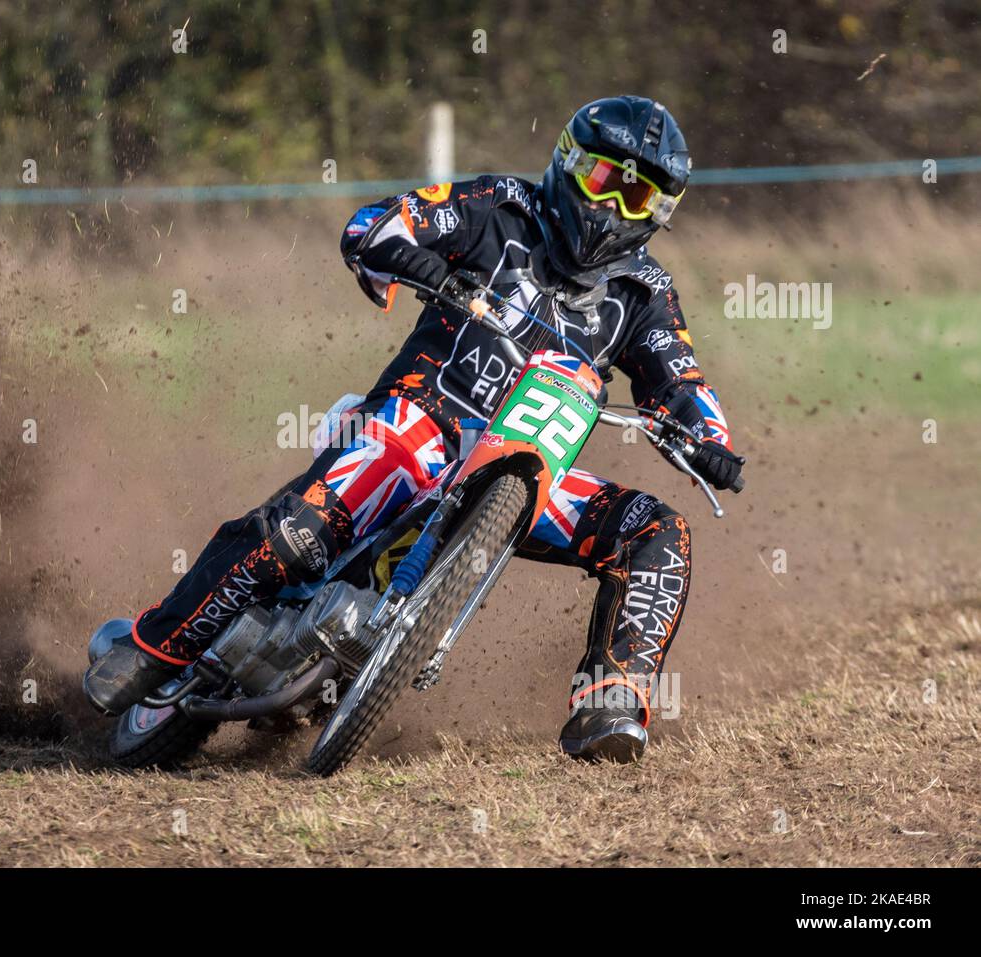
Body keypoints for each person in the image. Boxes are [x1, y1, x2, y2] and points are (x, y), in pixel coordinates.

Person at [85, 95, 744, 762]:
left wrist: (709, 440)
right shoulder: (500, 206)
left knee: (659, 531)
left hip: (533, 465)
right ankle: (152, 646)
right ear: (570, 165)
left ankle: (609, 704)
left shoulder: (644, 291)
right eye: (605, 180)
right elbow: (376, 225)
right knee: (298, 530)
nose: (613, 206)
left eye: (638, 195)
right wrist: (424, 265)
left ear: (660, 210)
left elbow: (680, 377)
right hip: (417, 422)